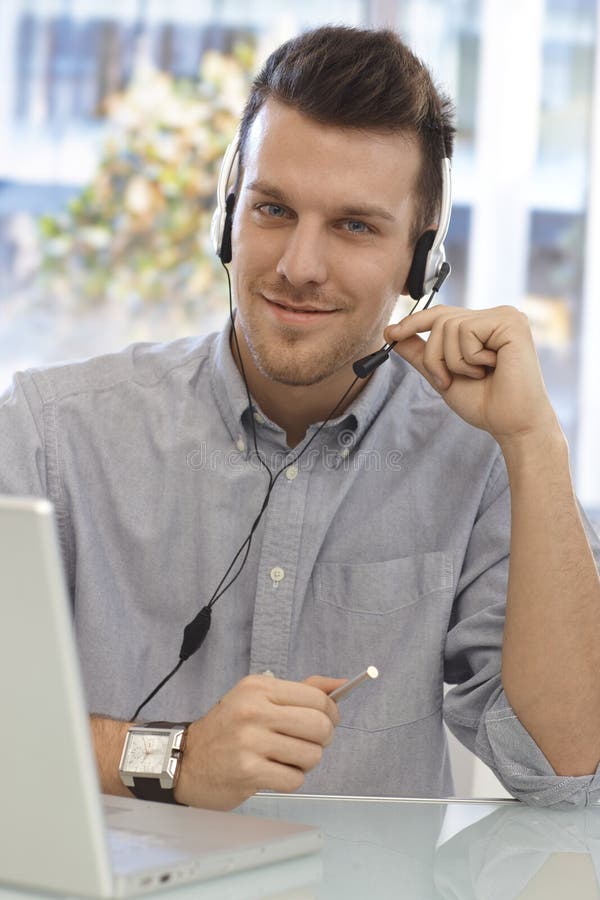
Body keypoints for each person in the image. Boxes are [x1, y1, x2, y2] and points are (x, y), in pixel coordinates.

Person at [1, 25, 600, 810]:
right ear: (228, 218)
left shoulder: (480, 459)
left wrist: (535, 441)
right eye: (274, 209)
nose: (298, 266)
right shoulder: (52, 435)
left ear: (420, 262)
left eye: (354, 226)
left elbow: (566, 772)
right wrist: (174, 759)